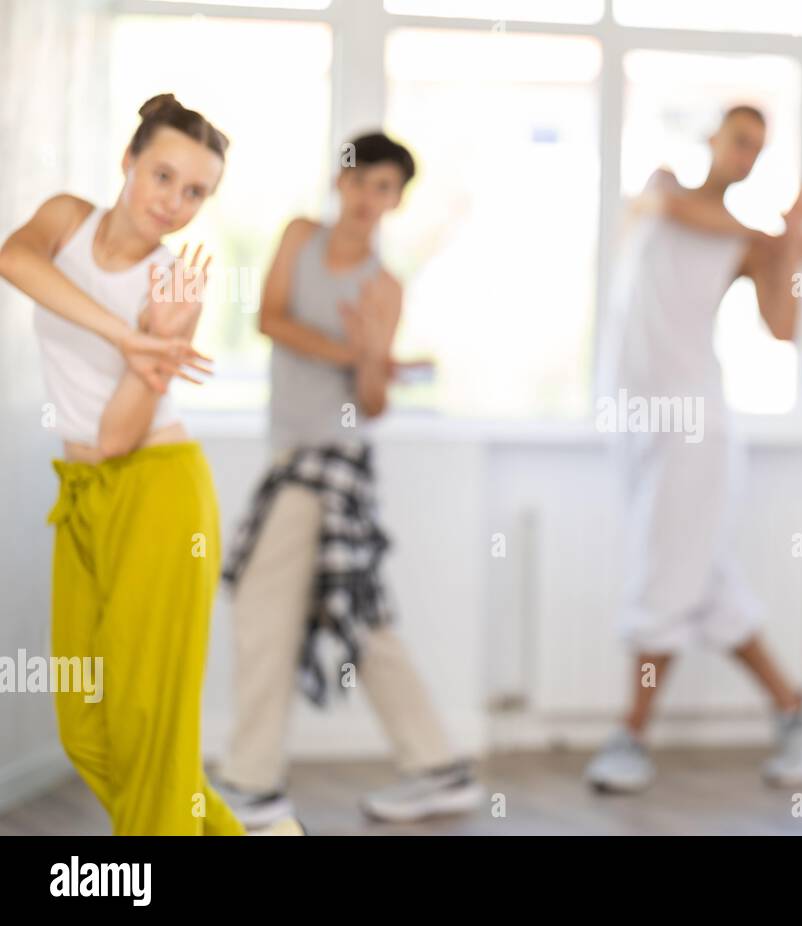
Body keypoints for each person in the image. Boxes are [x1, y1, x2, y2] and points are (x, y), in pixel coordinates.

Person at [216, 132, 481, 827]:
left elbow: (371, 402)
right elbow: (269, 317)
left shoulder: (384, 287)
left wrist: (370, 360)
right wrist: (353, 350)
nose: (370, 199)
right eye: (363, 182)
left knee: (262, 610)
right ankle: (436, 765)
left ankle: (251, 783)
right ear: (342, 181)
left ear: (396, 201)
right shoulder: (299, 236)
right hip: (292, 455)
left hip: (329, 464)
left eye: (386, 190)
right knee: (359, 616)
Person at [0, 93, 246, 835]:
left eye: (195, 191)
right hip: (83, 496)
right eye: (163, 176)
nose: (173, 202)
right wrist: (128, 337)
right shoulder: (65, 218)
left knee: (150, 728)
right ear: (129, 162)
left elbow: (114, 437)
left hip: (158, 494)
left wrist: (156, 341)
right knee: (87, 729)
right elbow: (13, 259)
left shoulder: (172, 289)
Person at [586, 104, 802, 792]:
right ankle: (796, 708)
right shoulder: (666, 189)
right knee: (703, 584)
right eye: (739, 139)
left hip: (694, 427)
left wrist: (791, 247)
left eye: (758, 147)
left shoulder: (753, 241)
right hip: (632, 419)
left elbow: (783, 327)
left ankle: (631, 734)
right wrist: (782, 233)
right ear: (714, 140)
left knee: (664, 578)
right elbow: (682, 213)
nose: (746, 154)